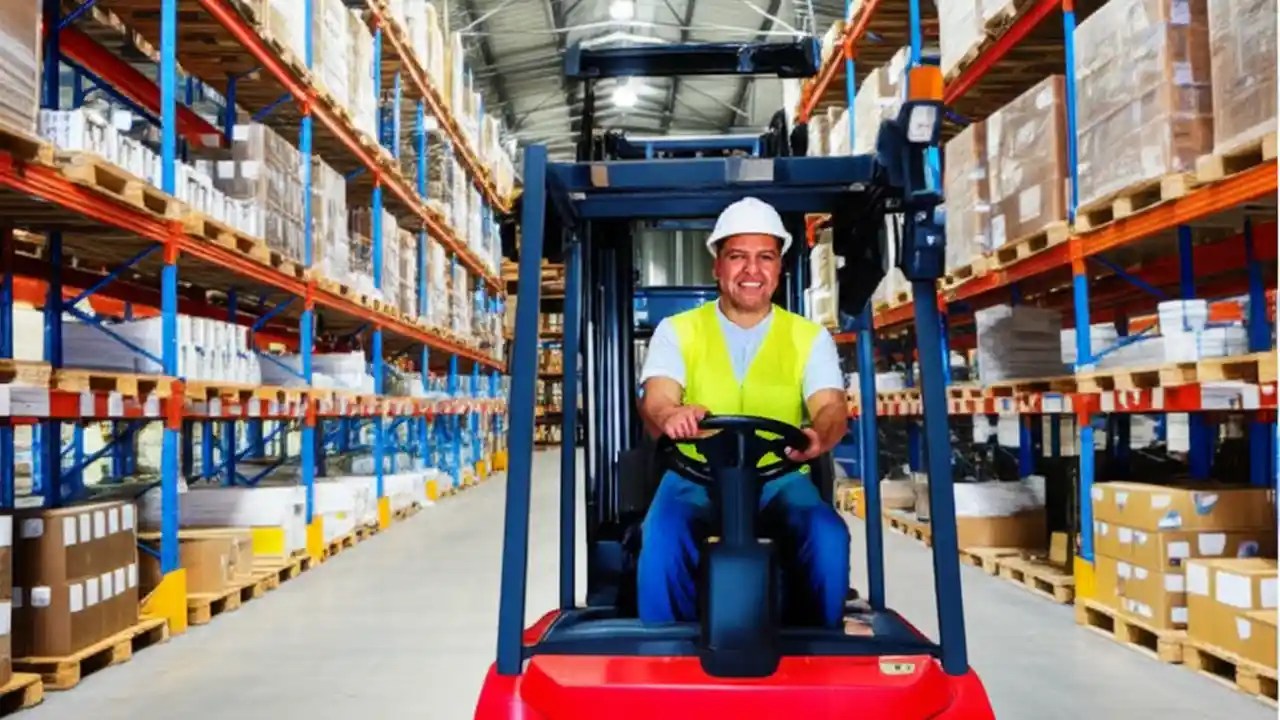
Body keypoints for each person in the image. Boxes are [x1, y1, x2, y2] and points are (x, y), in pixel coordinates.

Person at [636, 196, 851, 628]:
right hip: (695, 476)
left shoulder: (809, 338)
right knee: (660, 537)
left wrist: (819, 435)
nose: (752, 270)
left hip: (780, 478)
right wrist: (671, 415)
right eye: (737, 257)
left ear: (779, 267)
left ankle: (820, 641)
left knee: (827, 533)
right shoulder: (677, 331)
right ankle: (663, 648)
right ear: (717, 266)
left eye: (765, 257)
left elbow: (831, 407)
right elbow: (656, 398)